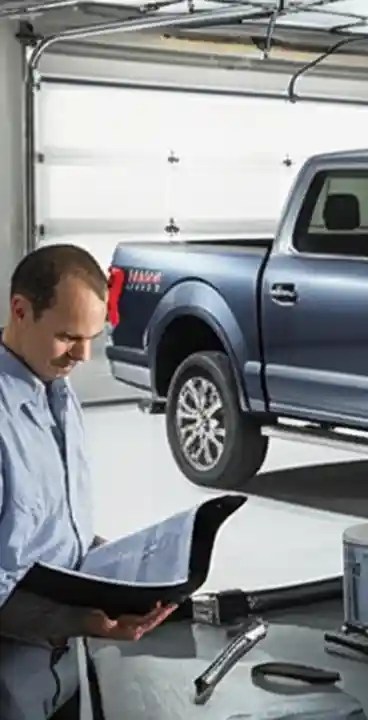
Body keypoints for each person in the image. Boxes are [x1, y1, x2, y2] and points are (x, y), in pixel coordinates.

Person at [0, 244, 175, 719]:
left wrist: (129, 568)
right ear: (20, 310)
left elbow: (54, 528)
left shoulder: (58, 390)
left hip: (70, 665)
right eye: (67, 336)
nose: (83, 354)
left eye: (92, 336)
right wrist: (82, 620)